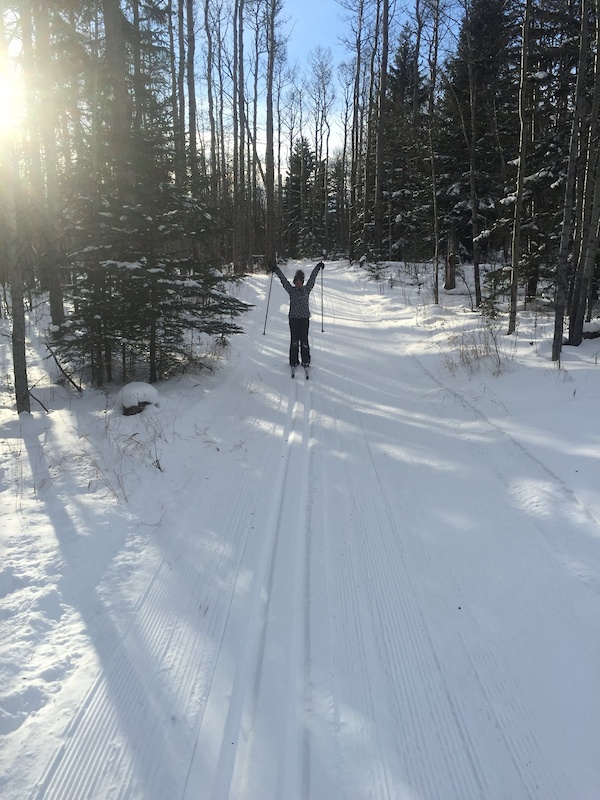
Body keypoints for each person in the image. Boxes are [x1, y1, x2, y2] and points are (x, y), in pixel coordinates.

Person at [271, 262, 324, 369]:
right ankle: (293, 360)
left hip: (304, 319)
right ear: (294, 283)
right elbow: (283, 280)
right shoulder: (291, 290)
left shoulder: (307, 289)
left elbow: (313, 278)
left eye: (299, 282)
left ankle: (306, 360)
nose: (298, 284)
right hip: (293, 319)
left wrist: (318, 267)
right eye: (296, 282)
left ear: (302, 283)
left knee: (304, 341)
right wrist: (276, 270)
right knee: (294, 341)